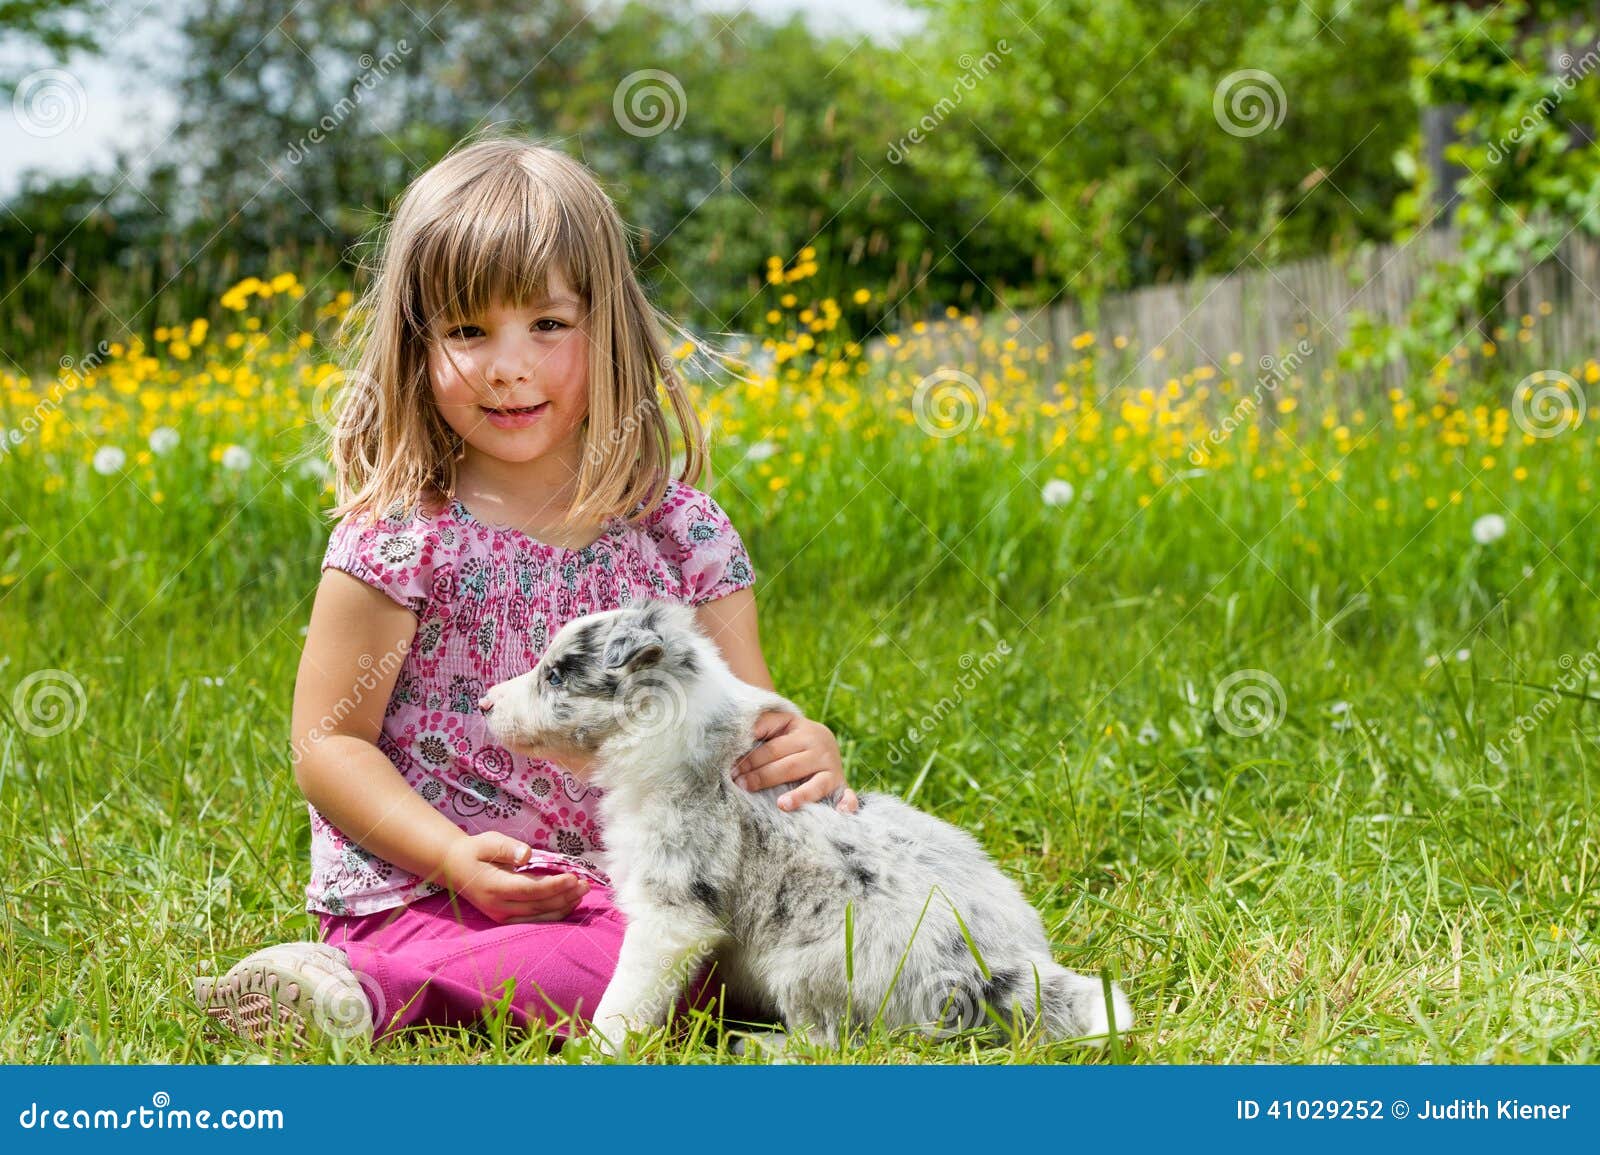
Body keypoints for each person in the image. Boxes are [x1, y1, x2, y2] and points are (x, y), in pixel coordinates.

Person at [194, 133, 857, 1049]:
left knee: (766, 935)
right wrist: (452, 856)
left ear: (611, 326)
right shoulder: (402, 537)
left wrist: (803, 751)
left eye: (548, 324)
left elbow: (740, 732)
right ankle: (358, 986)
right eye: (468, 330)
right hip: (434, 895)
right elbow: (328, 741)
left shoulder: (682, 534)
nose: (509, 365)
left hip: (642, 887)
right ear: (417, 341)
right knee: (622, 967)